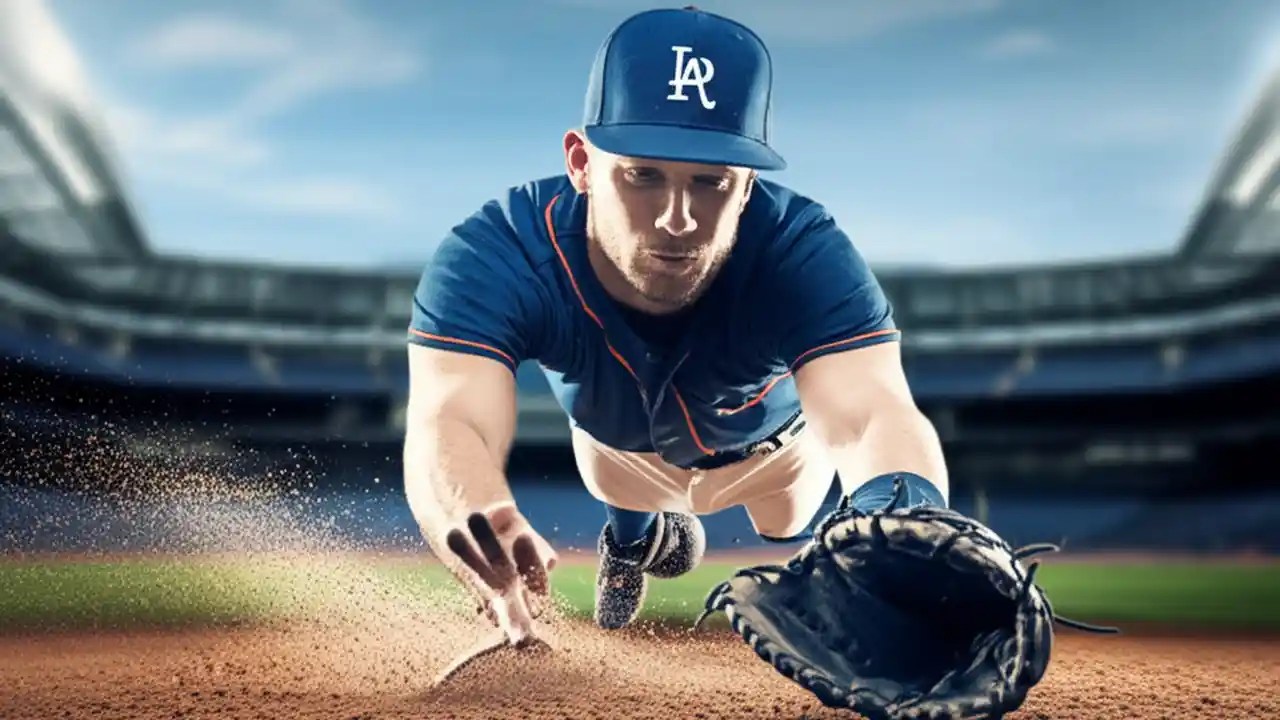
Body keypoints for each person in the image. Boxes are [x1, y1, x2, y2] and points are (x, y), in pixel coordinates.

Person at [401, 6, 949, 646]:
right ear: (581, 162)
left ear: (747, 187)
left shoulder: (802, 249)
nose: (678, 219)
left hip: (776, 456)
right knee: (620, 480)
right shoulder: (499, 254)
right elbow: (448, 417)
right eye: (643, 174)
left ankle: (659, 532)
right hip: (618, 450)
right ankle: (630, 546)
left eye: (711, 181)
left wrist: (905, 523)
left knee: (787, 528)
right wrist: (479, 512)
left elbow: (872, 413)